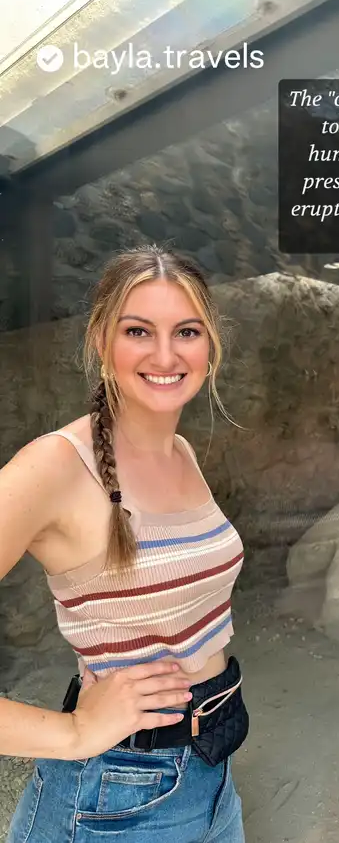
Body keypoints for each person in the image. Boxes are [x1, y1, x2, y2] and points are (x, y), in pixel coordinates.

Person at [2, 246, 249, 842]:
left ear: (210, 345)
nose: (165, 355)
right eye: (138, 331)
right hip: (115, 796)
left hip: (211, 772)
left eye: (186, 331)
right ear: (100, 341)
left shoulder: (180, 452)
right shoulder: (55, 466)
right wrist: (72, 733)